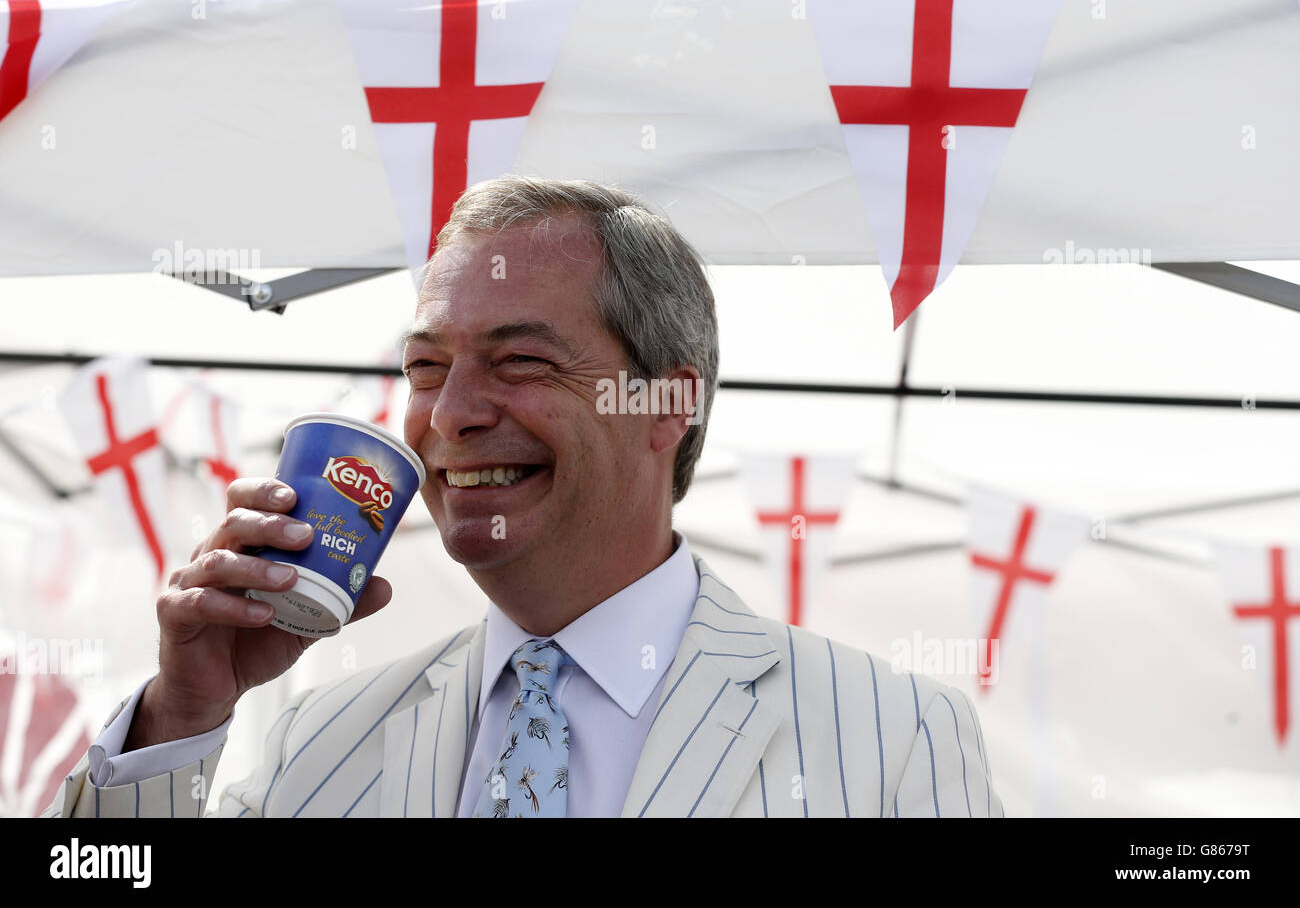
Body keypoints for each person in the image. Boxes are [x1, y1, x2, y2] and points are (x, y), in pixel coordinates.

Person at [43, 176, 1003, 818]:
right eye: (425, 368)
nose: (451, 414)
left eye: (521, 361)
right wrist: (179, 714)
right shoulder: (316, 736)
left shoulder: (894, 734)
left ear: (668, 401)